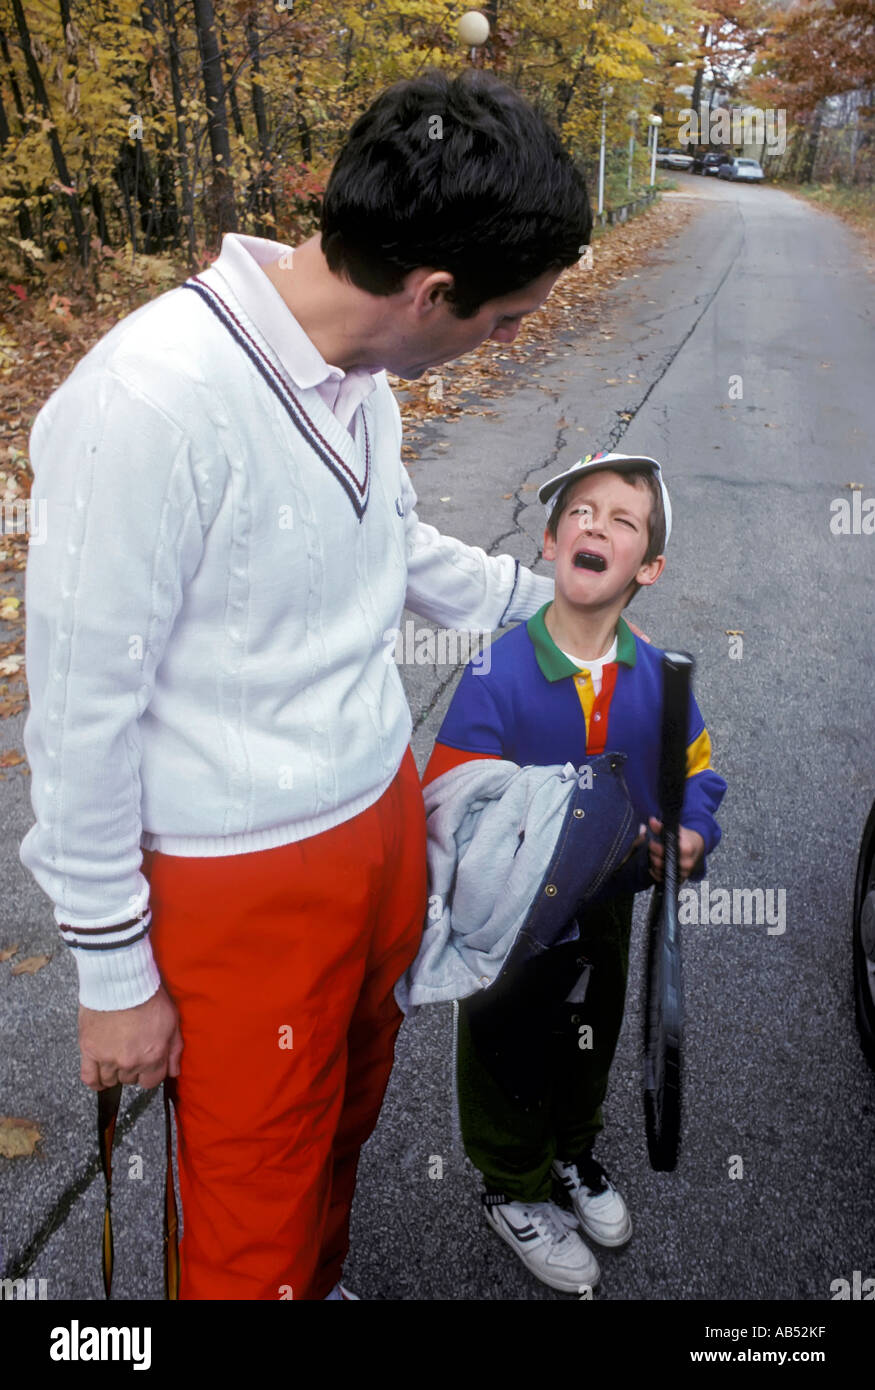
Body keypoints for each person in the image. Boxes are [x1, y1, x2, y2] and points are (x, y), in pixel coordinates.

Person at [19, 69, 594, 1300]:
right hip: (241, 879)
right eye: (502, 323)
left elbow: (388, 544)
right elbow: (75, 715)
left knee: (339, 1120)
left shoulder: (360, 372)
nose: (502, 342)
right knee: (251, 1193)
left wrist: (540, 605)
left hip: (376, 822)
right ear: (433, 292)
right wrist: (114, 973)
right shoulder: (145, 402)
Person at [421, 451, 727, 1295]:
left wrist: (690, 836)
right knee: (505, 1050)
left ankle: (572, 1153)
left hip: (608, 904)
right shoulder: (498, 673)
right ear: (551, 542)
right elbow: (446, 802)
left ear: (649, 567)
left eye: (622, 521)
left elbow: (696, 775)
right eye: (581, 514)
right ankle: (511, 1186)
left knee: (589, 1032)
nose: (596, 525)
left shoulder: (658, 680)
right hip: (511, 921)